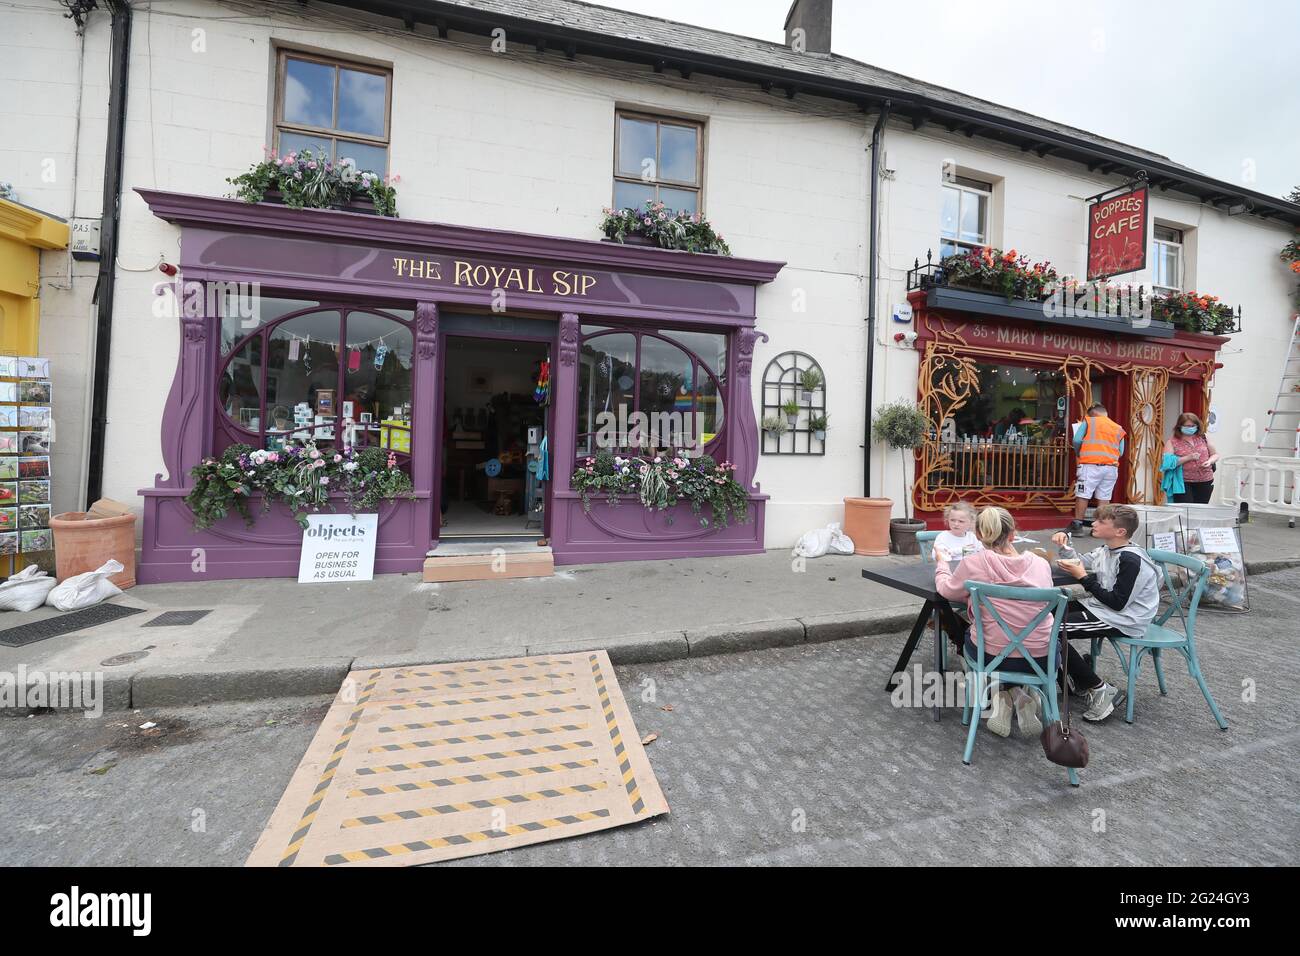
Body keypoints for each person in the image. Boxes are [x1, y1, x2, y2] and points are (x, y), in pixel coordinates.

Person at [933, 507, 1052, 738]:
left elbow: (947, 590)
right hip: (1040, 657)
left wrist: (942, 565)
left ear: (978, 535)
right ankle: (1015, 694)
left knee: (968, 630)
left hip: (990, 655)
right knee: (1012, 635)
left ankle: (1002, 696)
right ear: (1013, 534)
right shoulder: (1041, 564)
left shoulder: (973, 564)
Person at [1051, 503, 1159, 722]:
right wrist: (1065, 544)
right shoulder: (1105, 549)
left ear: (1120, 531)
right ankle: (1076, 678)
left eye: (1101, 521)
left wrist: (1084, 578)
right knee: (1045, 613)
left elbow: (1118, 603)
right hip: (1102, 607)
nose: (1095, 523)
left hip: (1124, 618)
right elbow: (1078, 562)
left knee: (1049, 630)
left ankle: (1099, 688)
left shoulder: (1130, 560)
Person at [1069, 402, 1126, 533]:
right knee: (1104, 498)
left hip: (1090, 465)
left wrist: (1079, 453)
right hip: (1111, 468)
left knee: (1083, 494)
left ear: (1092, 414)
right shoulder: (1118, 428)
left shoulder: (1089, 421)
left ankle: (1077, 525)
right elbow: (1121, 452)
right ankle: (1099, 529)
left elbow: (1077, 440)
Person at [1165, 412, 1219, 504]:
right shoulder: (1172, 441)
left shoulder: (1204, 437)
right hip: (1183, 483)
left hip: (1205, 480)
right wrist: (1188, 458)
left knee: (1200, 510)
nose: (1190, 428)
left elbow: (1215, 454)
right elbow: (1167, 463)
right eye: (1187, 426)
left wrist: (1210, 461)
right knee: (1186, 510)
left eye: (1192, 426)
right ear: (1180, 426)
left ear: (1197, 426)